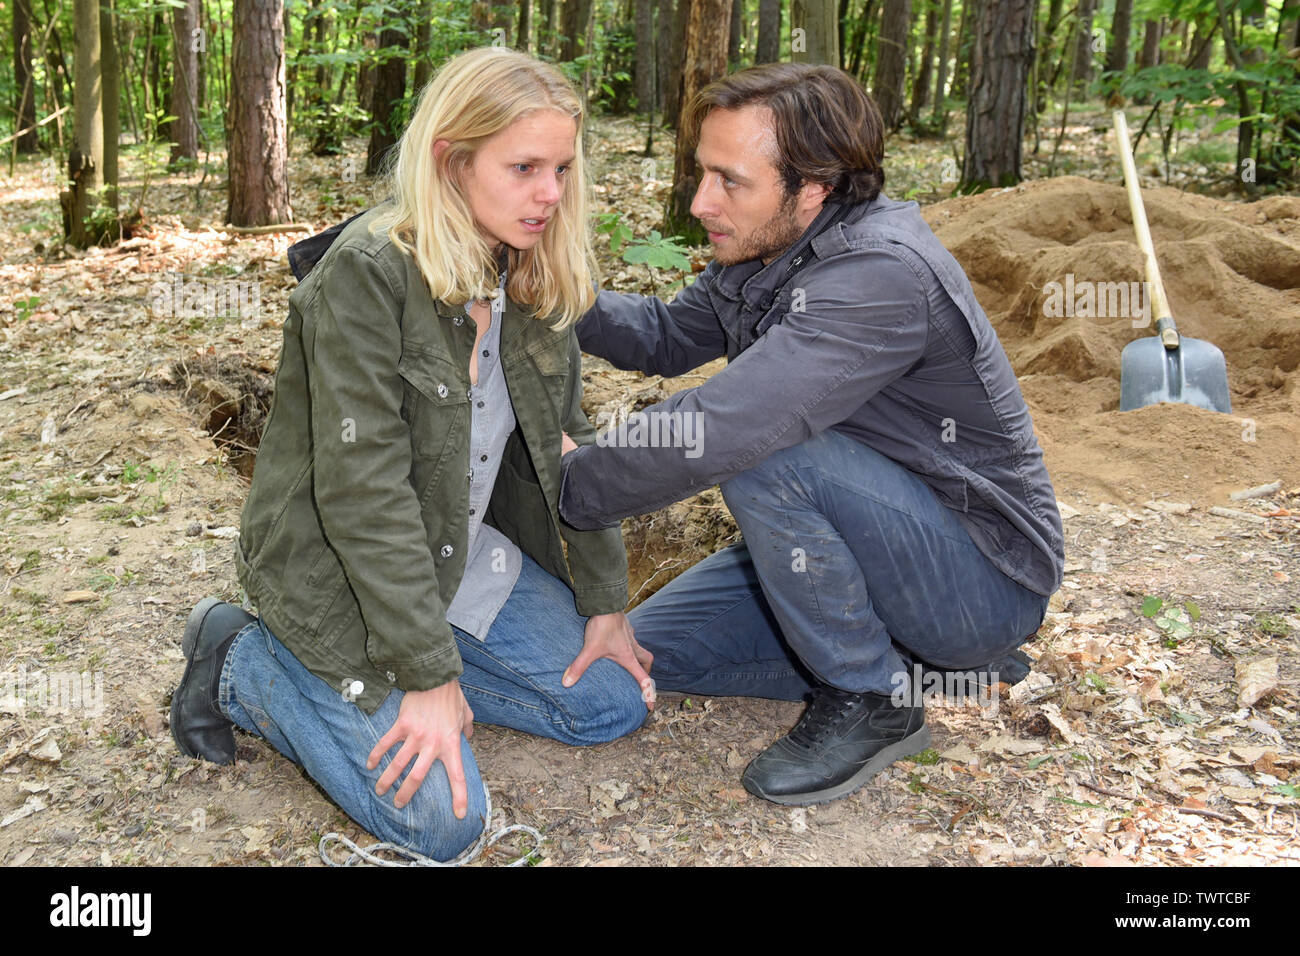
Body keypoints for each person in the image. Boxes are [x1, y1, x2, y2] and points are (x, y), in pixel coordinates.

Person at [170, 47, 653, 862]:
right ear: (450, 161)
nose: (550, 194)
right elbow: (364, 496)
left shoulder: (529, 270)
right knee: (442, 824)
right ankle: (238, 660)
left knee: (609, 704)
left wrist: (605, 601)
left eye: (563, 167)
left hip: (452, 559)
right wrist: (428, 678)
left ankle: (411, 668)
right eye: (524, 166)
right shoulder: (364, 277)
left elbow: (570, 449)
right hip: (340, 574)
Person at [558, 63, 1065, 807]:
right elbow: (666, 336)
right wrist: (556, 291)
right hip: (863, 535)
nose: (702, 201)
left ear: (815, 186)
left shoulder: (879, 275)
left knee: (770, 450)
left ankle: (871, 699)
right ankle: (911, 665)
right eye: (704, 173)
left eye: (730, 180)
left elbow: (727, 427)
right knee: (647, 649)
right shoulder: (771, 247)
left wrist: (568, 485)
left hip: (978, 576)